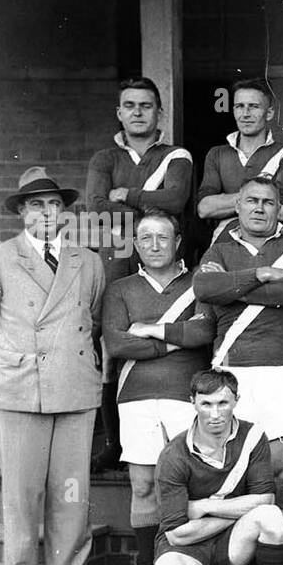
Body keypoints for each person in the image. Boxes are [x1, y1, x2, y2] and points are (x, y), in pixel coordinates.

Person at [0, 166, 106, 565]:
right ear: (22, 211)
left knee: (71, 492)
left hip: (75, 388)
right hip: (19, 390)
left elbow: (93, 319)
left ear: (65, 213)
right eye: (37, 204)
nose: (47, 212)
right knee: (22, 496)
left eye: (55, 204)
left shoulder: (89, 261)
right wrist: (10, 364)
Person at [192, 175, 283, 565]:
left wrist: (239, 286)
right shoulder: (218, 250)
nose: (260, 209)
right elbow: (206, 288)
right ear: (239, 207)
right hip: (235, 371)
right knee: (235, 475)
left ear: (280, 210)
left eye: (269, 202)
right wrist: (261, 275)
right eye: (251, 201)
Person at [102, 209, 214, 565]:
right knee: (145, 484)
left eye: (162, 237)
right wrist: (173, 342)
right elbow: (116, 343)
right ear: (135, 244)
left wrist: (150, 332)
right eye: (145, 238)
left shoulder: (197, 283)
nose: (153, 245)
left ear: (178, 241)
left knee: (196, 482)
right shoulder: (121, 289)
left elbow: (204, 332)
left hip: (188, 396)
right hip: (136, 396)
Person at [85, 77, 195, 471]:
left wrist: (127, 196)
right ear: (119, 112)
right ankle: (112, 441)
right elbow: (95, 207)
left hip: (159, 255)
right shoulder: (104, 159)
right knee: (110, 341)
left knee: (159, 327)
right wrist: (150, 212)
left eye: (145, 105)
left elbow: (176, 200)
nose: (137, 112)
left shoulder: (176, 156)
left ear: (159, 112)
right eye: (129, 105)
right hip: (116, 256)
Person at [152, 369, 283, 565]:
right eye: (206, 404)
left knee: (270, 515)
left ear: (236, 400)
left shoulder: (252, 436)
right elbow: (177, 534)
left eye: (223, 403)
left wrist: (204, 506)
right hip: (187, 548)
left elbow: (266, 499)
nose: (215, 414)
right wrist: (238, 510)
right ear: (193, 402)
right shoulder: (174, 455)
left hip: (231, 542)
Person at [196, 77, 283, 244]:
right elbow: (204, 208)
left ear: (270, 113)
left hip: (268, 245)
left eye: (254, 107)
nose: (245, 114)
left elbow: (281, 211)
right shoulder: (217, 154)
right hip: (223, 243)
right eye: (239, 106)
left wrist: (224, 202)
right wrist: (262, 198)